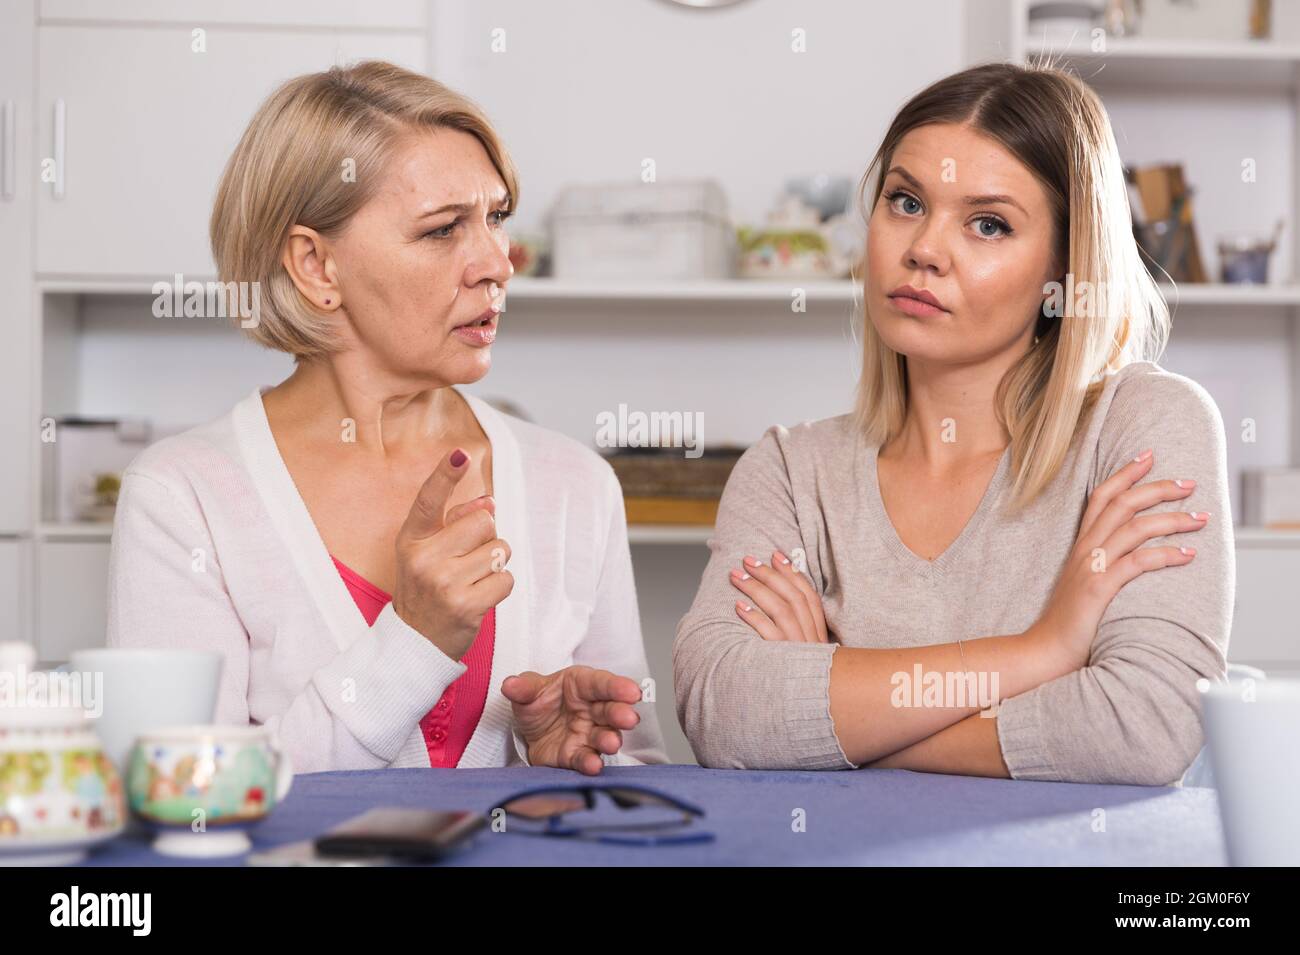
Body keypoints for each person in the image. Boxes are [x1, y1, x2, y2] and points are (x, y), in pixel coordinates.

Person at [674, 62, 1233, 786]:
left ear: (1064, 270)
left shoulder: (1143, 427)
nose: (924, 250)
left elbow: (1143, 727)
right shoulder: (790, 470)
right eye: (906, 202)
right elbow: (723, 712)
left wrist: (837, 710)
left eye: (988, 224)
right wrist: (1044, 650)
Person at [107, 60, 666, 775]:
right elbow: (183, 792)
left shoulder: (576, 484)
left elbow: (643, 780)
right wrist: (412, 641)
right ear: (315, 266)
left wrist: (566, 753)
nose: (498, 263)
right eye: (442, 231)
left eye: (495, 219)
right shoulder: (183, 497)